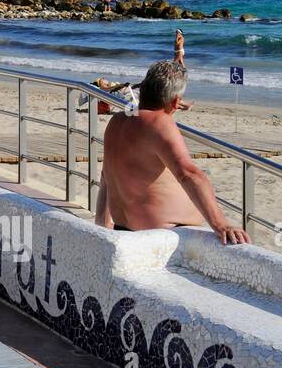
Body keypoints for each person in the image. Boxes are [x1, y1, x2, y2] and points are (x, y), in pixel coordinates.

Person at [95, 61, 248, 243]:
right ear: (175, 102)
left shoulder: (117, 121)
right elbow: (188, 174)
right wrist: (220, 223)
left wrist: (102, 227)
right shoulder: (159, 123)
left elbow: (107, 177)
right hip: (161, 238)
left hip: (123, 230)